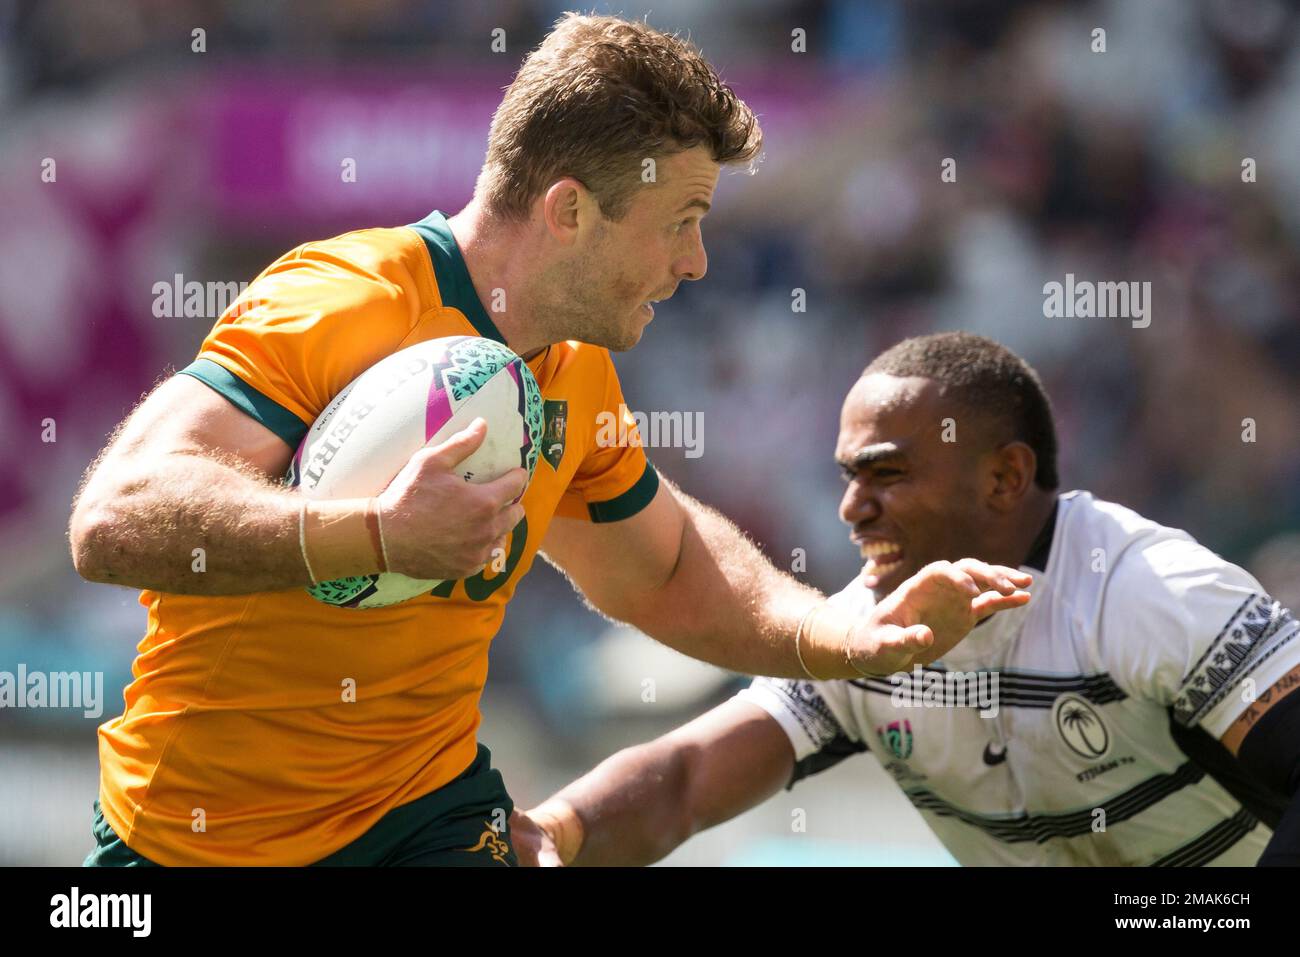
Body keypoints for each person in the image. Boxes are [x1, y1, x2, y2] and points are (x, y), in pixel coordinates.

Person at [67, 17, 1029, 867]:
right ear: (570, 211)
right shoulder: (346, 299)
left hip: (427, 817)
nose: (695, 262)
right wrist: (374, 533)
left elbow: (663, 571)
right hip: (194, 838)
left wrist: (844, 633)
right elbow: (115, 517)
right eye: (680, 225)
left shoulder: (571, 370)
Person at [513, 332, 1300, 867]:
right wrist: (554, 832)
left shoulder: (1149, 592)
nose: (852, 508)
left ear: (1005, 478)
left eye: (886, 474)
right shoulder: (867, 632)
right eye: (848, 475)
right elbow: (686, 779)